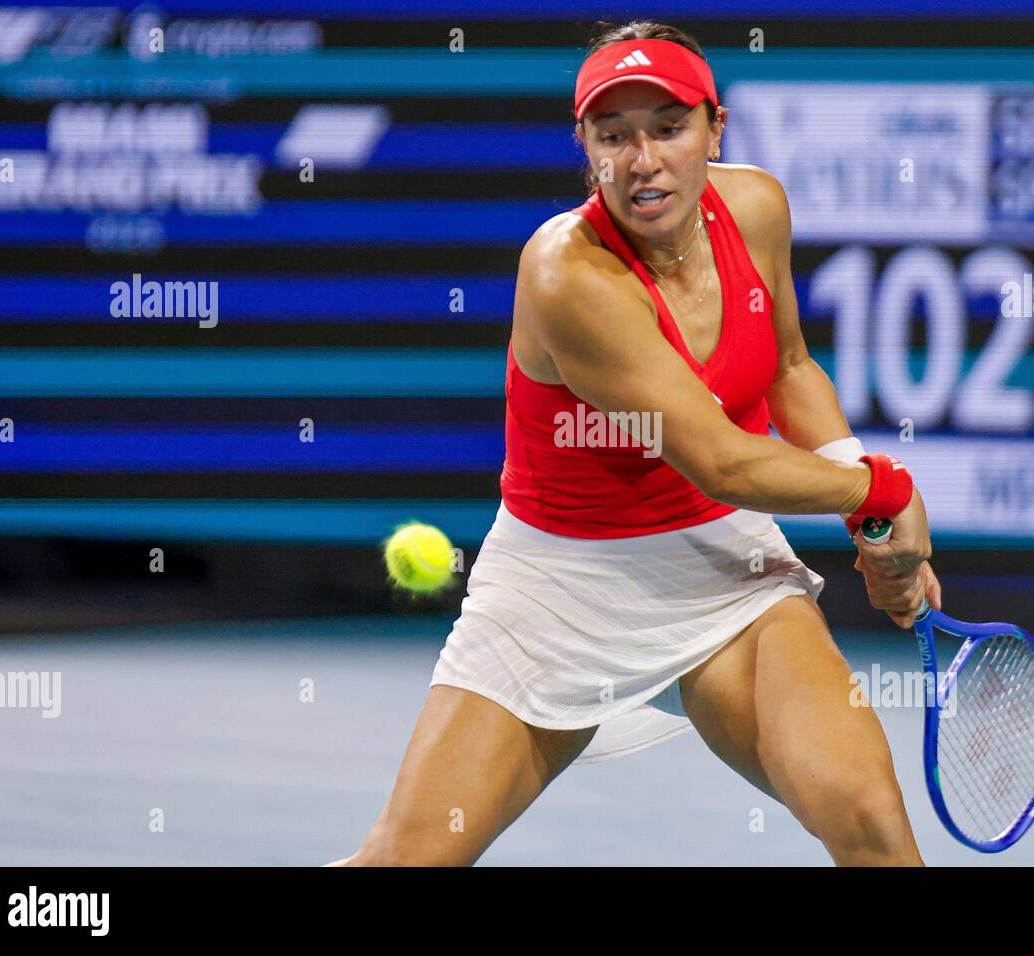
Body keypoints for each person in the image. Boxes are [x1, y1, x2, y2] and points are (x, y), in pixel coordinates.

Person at [332, 20, 941, 867]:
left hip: (722, 564)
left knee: (871, 822)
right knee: (404, 863)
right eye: (613, 136)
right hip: (558, 586)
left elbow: (791, 366)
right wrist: (885, 494)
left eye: (667, 127)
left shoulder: (758, 206)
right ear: (585, 148)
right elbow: (722, 458)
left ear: (714, 128)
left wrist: (868, 522)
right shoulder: (566, 274)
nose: (642, 158)